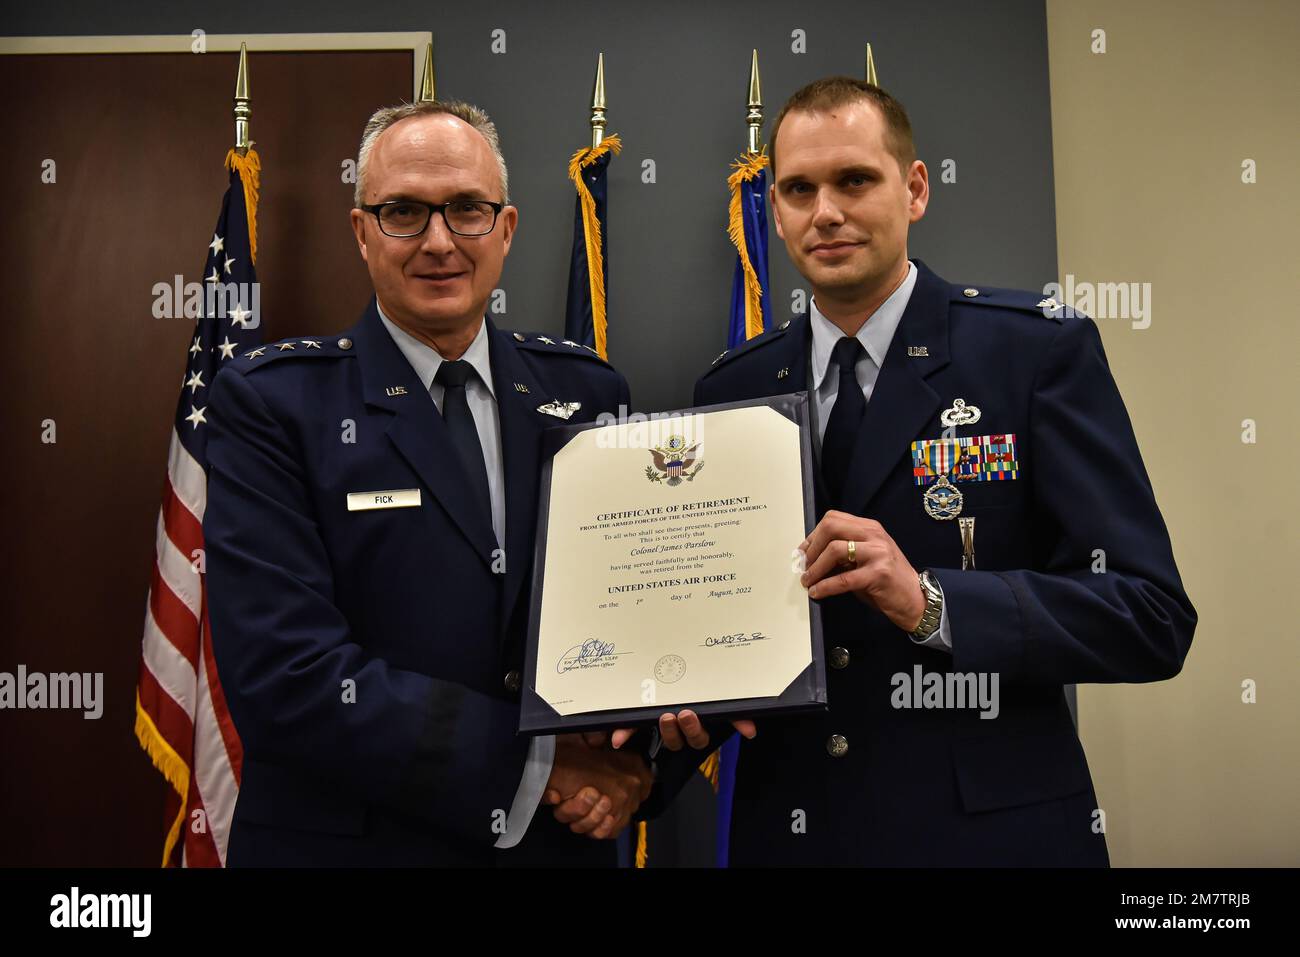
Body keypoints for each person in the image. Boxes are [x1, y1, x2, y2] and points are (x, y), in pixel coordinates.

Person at [639, 76, 1196, 865]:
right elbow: (737, 626)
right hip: (796, 833)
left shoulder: (1033, 352)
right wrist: (677, 710)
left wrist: (934, 603)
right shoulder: (733, 387)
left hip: (988, 837)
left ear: (915, 188)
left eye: (854, 180)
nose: (824, 211)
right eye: (797, 188)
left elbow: (1150, 617)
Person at [204, 100, 651, 866]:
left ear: (505, 228)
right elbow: (288, 675)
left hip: (555, 848)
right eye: (404, 211)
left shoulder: (587, 392)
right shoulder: (272, 404)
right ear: (361, 231)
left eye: (467, 210)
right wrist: (539, 765)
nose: (439, 241)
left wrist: (641, 756)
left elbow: (637, 614)